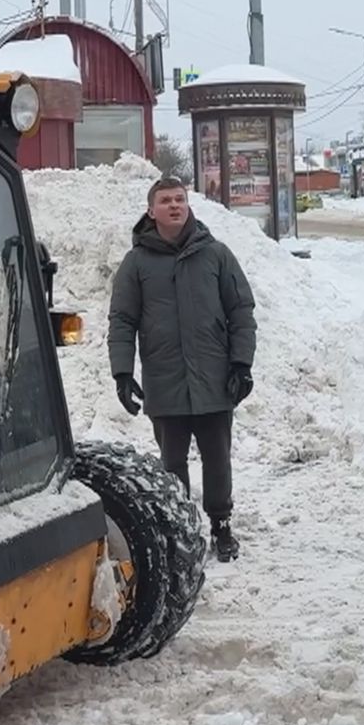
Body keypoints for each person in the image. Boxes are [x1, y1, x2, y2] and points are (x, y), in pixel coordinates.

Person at [108, 176, 258, 562]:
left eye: (180, 199)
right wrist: (122, 372)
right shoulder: (136, 263)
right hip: (165, 380)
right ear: (151, 211)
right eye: (165, 201)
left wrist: (241, 363)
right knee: (172, 463)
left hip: (213, 378)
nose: (174, 205)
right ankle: (180, 530)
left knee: (217, 458)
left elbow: (241, 311)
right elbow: (122, 319)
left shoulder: (216, 255)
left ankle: (221, 525)